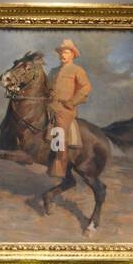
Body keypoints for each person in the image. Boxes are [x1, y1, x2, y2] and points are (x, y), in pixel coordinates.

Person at [47, 38, 90, 178]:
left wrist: (72, 101)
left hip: (65, 109)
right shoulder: (53, 71)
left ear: (72, 54)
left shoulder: (77, 70)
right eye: (61, 52)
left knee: (59, 130)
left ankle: (59, 165)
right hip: (49, 104)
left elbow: (86, 87)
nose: (62, 55)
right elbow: (46, 87)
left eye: (66, 52)